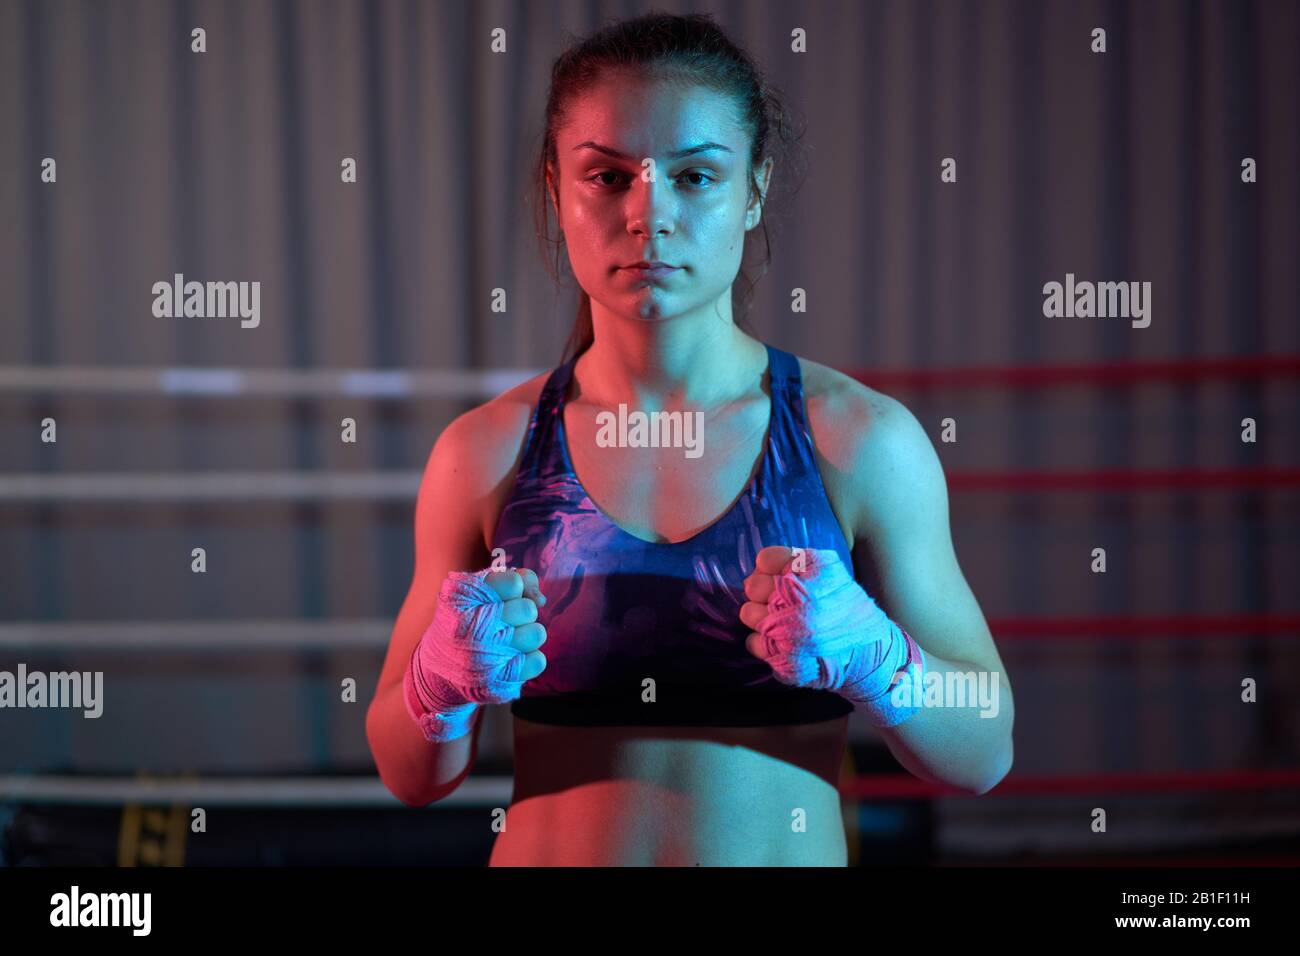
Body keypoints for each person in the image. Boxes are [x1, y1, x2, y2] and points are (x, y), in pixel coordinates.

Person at [367, 11, 1014, 866]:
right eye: (606, 176)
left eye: (696, 175)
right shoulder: (485, 452)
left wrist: (884, 663)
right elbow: (410, 774)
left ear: (752, 191)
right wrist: (438, 685)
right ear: (556, 188)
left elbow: (985, 752)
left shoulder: (858, 440)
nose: (649, 214)